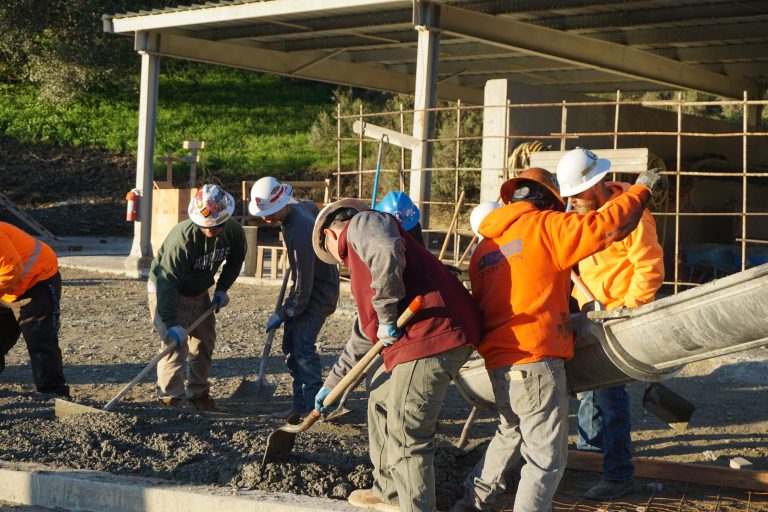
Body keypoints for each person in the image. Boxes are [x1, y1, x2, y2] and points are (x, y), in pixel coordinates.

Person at [452, 165, 667, 512]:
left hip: (498, 364)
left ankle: (470, 503)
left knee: (510, 433)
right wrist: (640, 191)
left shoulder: (485, 249)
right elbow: (603, 227)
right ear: (546, 200)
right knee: (544, 459)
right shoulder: (545, 226)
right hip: (535, 361)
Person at [312, 199, 483, 512]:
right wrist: (332, 385)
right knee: (378, 392)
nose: (338, 264)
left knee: (407, 432)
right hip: (423, 338)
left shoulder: (361, 225)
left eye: (330, 254)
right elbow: (365, 335)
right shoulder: (362, 266)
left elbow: (386, 251)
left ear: (329, 234)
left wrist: (388, 314)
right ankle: (389, 491)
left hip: (432, 333)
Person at [556, 147, 665, 500]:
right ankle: (590, 461)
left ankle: (618, 474)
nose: (571, 202)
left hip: (616, 318)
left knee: (610, 396)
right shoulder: (583, 215)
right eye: (568, 196)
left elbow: (649, 270)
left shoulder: (634, 217)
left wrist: (626, 312)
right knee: (588, 392)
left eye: (577, 195)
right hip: (591, 314)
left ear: (599, 184)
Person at [148, 184, 246, 412]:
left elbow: (236, 260)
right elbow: (166, 282)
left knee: (204, 344)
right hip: (168, 291)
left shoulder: (233, 231)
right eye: (204, 227)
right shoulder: (182, 239)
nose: (209, 231)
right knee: (175, 346)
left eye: (215, 226)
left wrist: (222, 289)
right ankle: (170, 398)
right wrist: (172, 322)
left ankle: (197, 396)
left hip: (199, 291)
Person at [248, 176, 339, 418]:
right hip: (312, 289)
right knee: (290, 344)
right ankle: (299, 406)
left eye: (269, 213)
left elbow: (303, 284)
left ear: (282, 204)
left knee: (302, 348)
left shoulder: (299, 229)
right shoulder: (300, 207)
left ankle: (313, 407)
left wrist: (285, 312)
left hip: (317, 295)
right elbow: (315, 210)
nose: (265, 218)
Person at [0, 222, 68, 396]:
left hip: (37, 280)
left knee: (40, 339)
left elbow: (12, 271)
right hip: (6, 288)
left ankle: (53, 394)